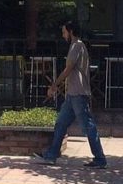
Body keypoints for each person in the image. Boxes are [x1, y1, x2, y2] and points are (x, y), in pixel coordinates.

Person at [32, 20, 108, 168]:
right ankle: (51, 155)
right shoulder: (76, 46)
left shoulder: (77, 46)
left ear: (71, 31)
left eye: (64, 32)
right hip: (72, 94)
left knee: (88, 126)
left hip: (78, 93)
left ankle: (100, 159)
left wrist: (54, 85)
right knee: (61, 123)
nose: (63, 35)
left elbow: (68, 69)